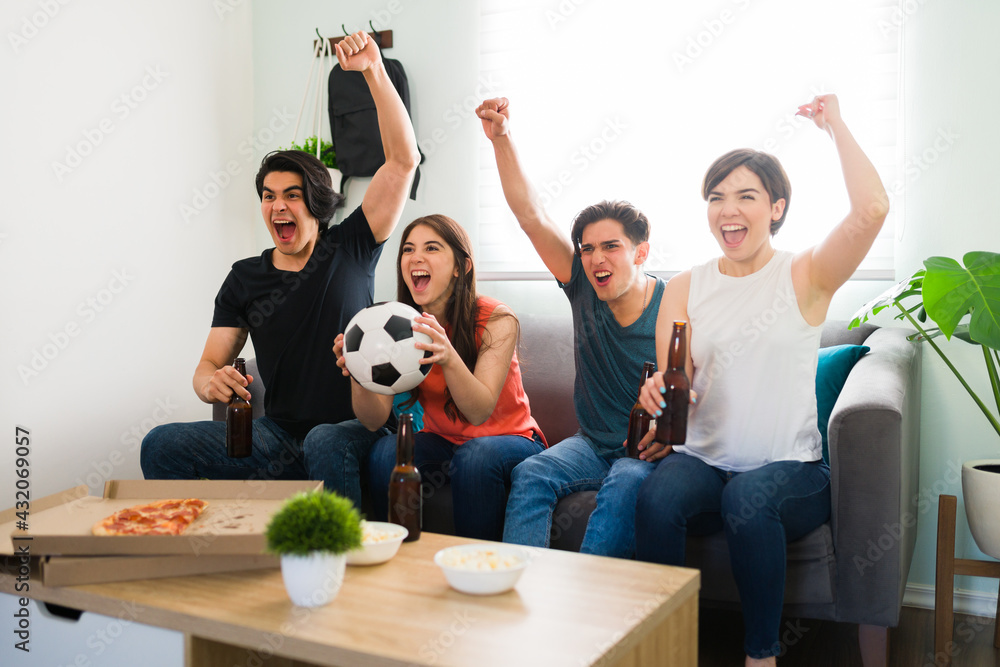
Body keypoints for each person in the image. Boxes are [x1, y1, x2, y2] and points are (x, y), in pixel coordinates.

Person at [633, 95, 889, 666]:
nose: (729, 209)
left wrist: (834, 125)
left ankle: (761, 656)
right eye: (716, 197)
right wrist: (659, 395)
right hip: (706, 462)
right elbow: (679, 380)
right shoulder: (685, 286)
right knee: (656, 496)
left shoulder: (805, 274)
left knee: (748, 497)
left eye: (746, 196)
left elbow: (872, 209)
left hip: (790, 469)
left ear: (775, 208)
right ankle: (662, 649)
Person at [140, 32, 420, 492]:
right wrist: (209, 384)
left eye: (292, 195)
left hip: (353, 429)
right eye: (268, 197)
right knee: (161, 444)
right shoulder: (244, 277)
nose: (278, 206)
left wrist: (373, 70)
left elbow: (403, 160)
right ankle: (212, 535)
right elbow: (207, 365)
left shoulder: (351, 245)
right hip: (278, 437)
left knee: (325, 440)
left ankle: (338, 539)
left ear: (317, 205)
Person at [476, 97, 669, 557]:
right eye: (587, 248)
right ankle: (518, 587)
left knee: (625, 481)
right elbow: (531, 216)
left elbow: (701, 384)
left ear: (641, 252)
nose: (596, 258)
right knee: (531, 474)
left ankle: (586, 595)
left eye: (611, 247)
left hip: (644, 453)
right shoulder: (581, 284)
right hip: (591, 444)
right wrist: (501, 138)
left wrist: (674, 437)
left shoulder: (672, 306)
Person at [332, 215, 547, 541]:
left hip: (511, 441)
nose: (416, 257)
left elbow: (478, 412)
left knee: (475, 457)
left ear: (462, 267)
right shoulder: (399, 325)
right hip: (443, 441)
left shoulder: (498, 319)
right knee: (386, 453)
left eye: (431, 248)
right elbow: (374, 420)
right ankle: (397, 552)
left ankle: (475, 563)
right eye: (408, 249)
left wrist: (448, 356)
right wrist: (357, 371)